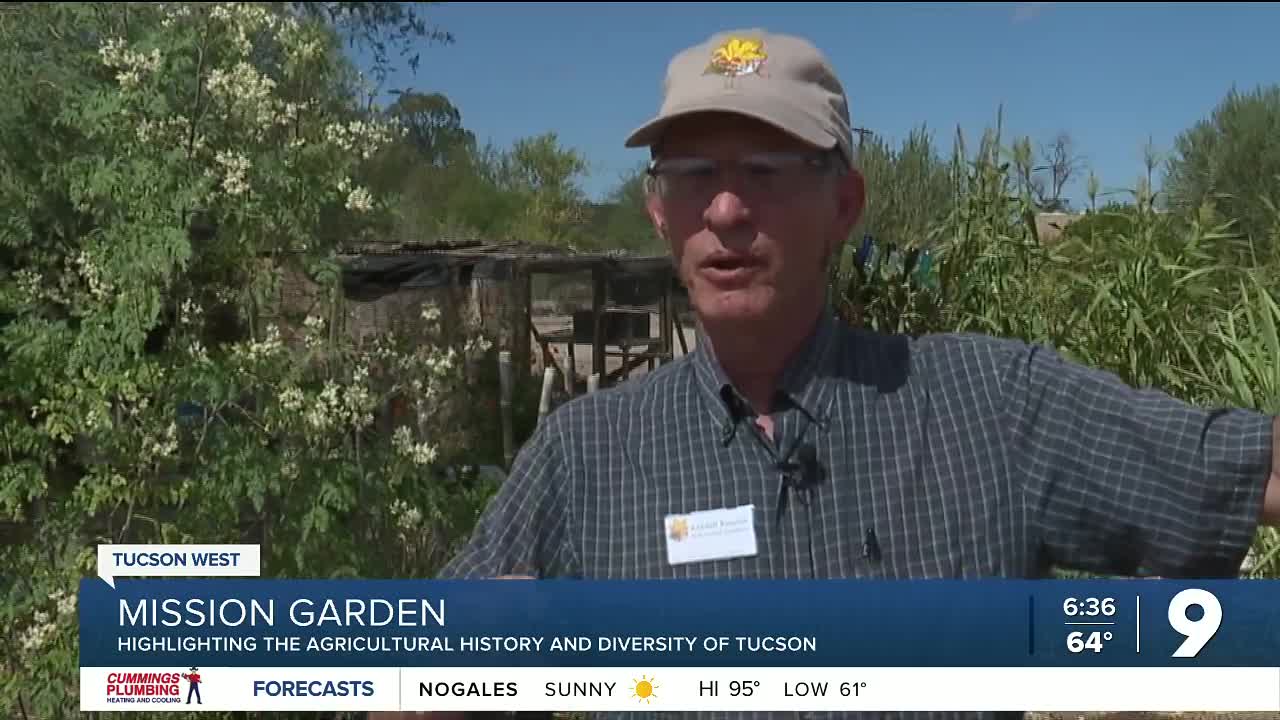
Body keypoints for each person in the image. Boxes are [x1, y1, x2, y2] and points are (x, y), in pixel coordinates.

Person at [381, 28, 1280, 720]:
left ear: (843, 204)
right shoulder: (586, 459)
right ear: (660, 213)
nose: (726, 210)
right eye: (693, 175)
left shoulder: (988, 407)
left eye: (766, 172)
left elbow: (1240, 468)